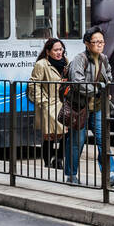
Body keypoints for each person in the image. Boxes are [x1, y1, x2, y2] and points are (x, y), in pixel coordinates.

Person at [64, 27, 114, 187]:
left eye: (101, 42)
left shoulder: (104, 59)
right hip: (80, 107)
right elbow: (77, 82)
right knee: (77, 142)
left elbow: (109, 76)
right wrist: (98, 89)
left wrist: (105, 88)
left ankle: (110, 175)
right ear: (86, 43)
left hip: (98, 107)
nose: (99, 45)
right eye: (95, 42)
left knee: (103, 140)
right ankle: (71, 175)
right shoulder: (80, 59)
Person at [28, 38, 68, 171]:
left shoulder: (66, 62)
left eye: (61, 49)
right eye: (56, 50)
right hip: (48, 104)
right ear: (48, 51)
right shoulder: (42, 64)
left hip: (64, 103)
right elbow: (34, 84)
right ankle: (48, 161)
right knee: (49, 135)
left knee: (65, 132)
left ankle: (59, 159)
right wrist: (42, 101)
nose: (59, 52)